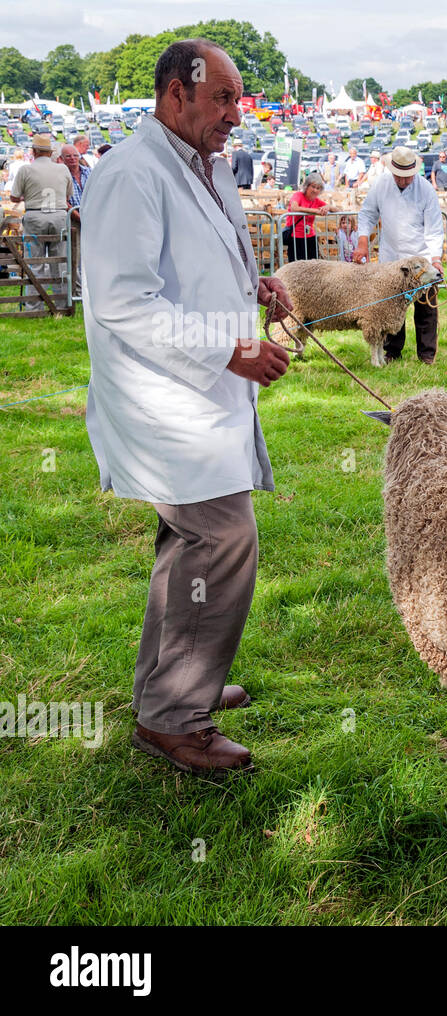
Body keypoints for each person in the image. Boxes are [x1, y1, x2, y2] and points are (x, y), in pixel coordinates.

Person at [81, 38, 294, 775]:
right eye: (225, 99)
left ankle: (169, 688)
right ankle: (175, 719)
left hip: (199, 398)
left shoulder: (205, 165)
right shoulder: (131, 175)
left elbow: (211, 254)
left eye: (238, 99)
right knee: (222, 540)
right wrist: (227, 348)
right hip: (164, 403)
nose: (237, 114)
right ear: (177, 95)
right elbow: (122, 302)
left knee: (187, 548)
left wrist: (256, 284)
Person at [355, 146, 443, 363]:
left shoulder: (425, 189)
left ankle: (427, 354)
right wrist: (363, 241)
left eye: (407, 177)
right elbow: (367, 214)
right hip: (391, 259)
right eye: (399, 177)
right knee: (392, 308)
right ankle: (392, 351)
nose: (403, 181)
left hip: (420, 259)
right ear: (392, 170)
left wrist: (435, 259)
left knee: (426, 309)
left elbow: (433, 228)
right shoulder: (381, 185)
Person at [9, 134, 72, 310]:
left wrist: (28, 195)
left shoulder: (26, 170)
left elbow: (14, 197)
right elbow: (68, 195)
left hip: (35, 216)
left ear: (34, 151)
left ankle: (34, 305)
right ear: (49, 152)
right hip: (59, 215)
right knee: (59, 263)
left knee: (34, 263)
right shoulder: (62, 169)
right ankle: (61, 304)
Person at [59, 143, 92, 298]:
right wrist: (78, 217)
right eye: (68, 156)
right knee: (75, 257)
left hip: (92, 219)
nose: (72, 159)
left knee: (92, 255)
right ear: (62, 159)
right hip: (73, 221)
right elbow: (63, 201)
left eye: (74, 155)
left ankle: (91, 290)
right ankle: (79, 293)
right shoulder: (62, 175)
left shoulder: (89, 172)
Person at [284, 172, 327, 261]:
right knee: (297, 266)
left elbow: (337, 209)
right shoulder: (298, 195)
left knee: (313, 265)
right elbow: (294, 208)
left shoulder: (316, 201)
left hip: (310, 236)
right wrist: (315, 211)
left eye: (318, 188)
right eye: (313, 186)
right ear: (307, 186)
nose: (315, 190)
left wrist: (328, 207)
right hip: (296, 236)